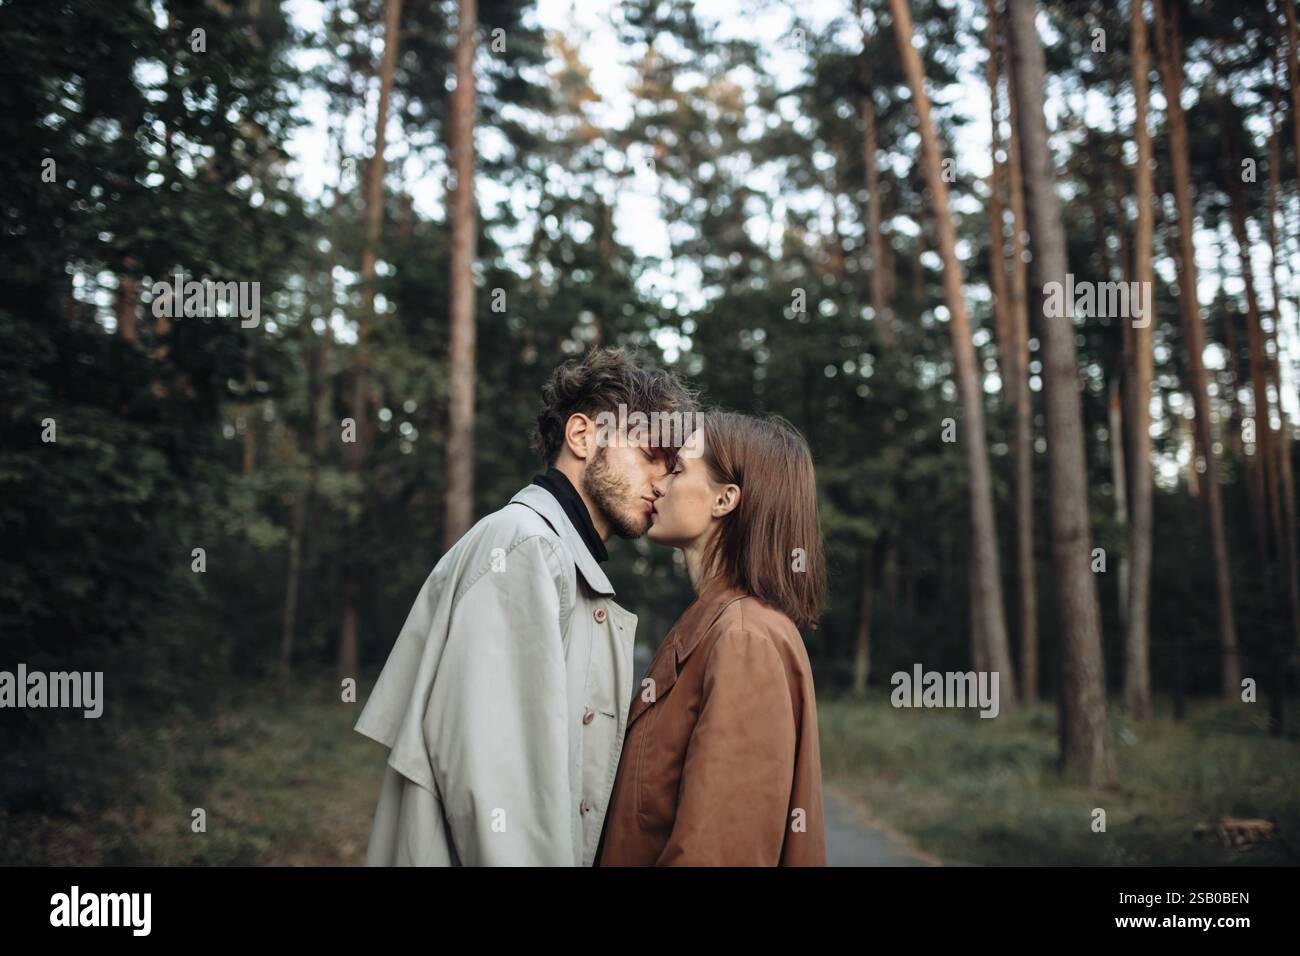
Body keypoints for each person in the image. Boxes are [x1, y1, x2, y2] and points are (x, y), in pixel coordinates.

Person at [353, 346, 695, 865]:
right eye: (650, 456)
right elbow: (496, 784)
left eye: (671, 468)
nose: (662, 483)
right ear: (582, 436)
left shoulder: (553, 556)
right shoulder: (526, 547)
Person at [596, 411, 828, 866]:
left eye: (678, 469)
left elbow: (717, 853)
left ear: (724, 500)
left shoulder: (743, 638)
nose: (659, 483)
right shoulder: (715, 626)